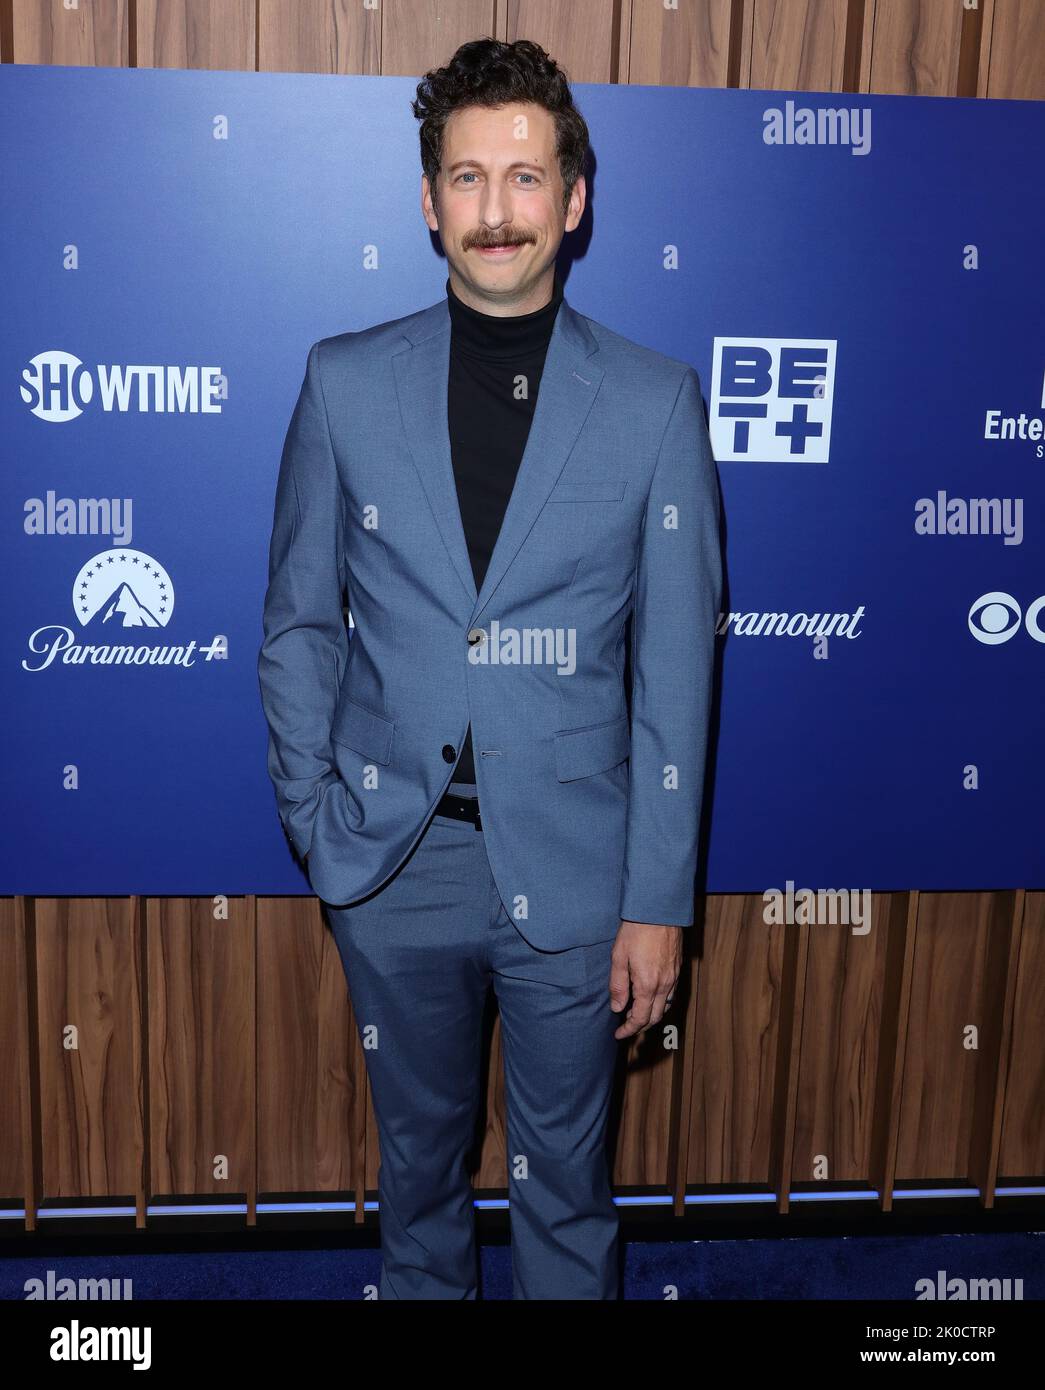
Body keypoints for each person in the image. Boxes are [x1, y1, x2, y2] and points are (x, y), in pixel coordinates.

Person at [257, 36, 722, 1300]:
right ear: (427, 204)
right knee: (416, 1179)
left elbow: (675, 673)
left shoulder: (653, 402)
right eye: (467, 178)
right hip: (393, 866)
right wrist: (318, 821)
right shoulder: (344, 383)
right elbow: (298, 621)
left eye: (525, 178)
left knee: (567, 1191)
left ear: (573, 200)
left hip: (578, 871)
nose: (496, 210)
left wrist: (657, 898)